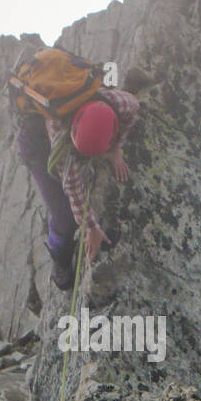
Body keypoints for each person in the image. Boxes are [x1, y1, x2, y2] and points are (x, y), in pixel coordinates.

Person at [17, 86, 140, 287]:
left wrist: (115, 151)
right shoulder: (58, 134)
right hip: (36, 145)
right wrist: (91, 227)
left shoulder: (122, 104)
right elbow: (73, 187)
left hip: (72, 128)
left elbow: (131, 116)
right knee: (65, 216)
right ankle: (60, 257)